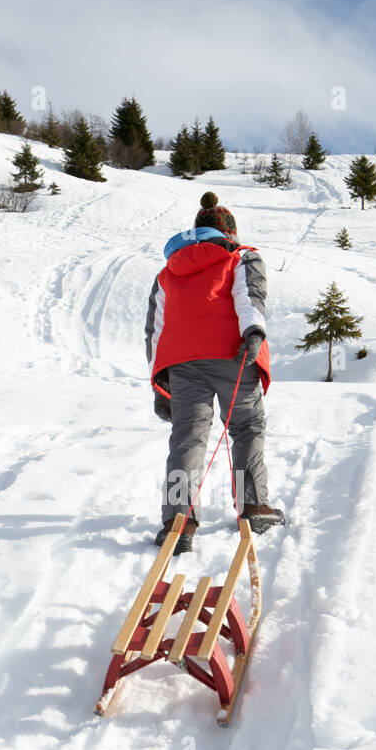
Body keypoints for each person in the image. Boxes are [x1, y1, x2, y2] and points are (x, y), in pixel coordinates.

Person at [145, 191, 285, 551]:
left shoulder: (167, 272)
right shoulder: (241, 257)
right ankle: (252, 504)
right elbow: (249, 297)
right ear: (230, 232)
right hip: (233, 355)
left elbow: (155, 330)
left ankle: (179, 520)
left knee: (187, 440)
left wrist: (160, 383)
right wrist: (253, 332)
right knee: (246, 427)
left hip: (182, 364)